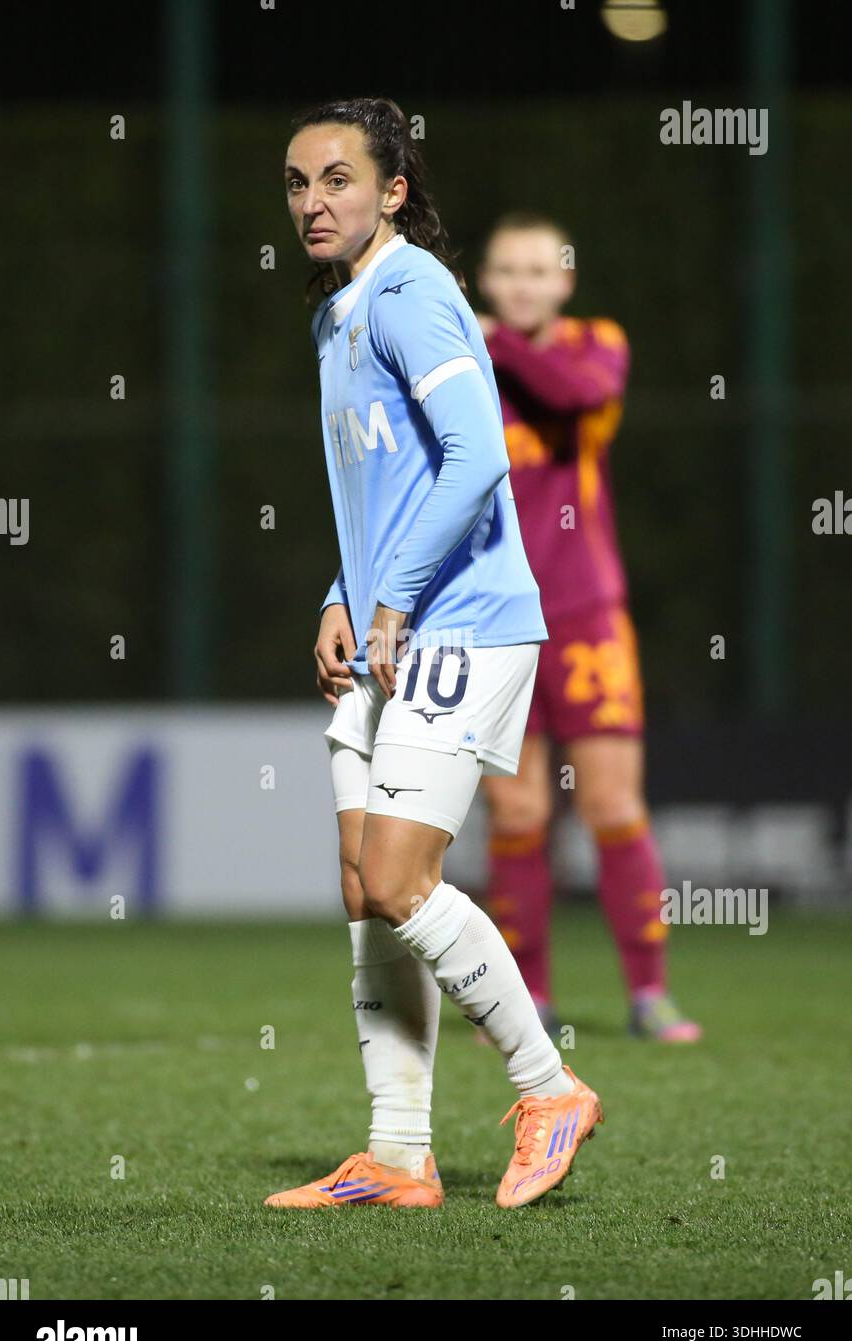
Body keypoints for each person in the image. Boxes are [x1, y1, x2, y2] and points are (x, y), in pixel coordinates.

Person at [264, 100, 604, 1211]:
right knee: (366, 890)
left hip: (457, 623)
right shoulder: (335, 317)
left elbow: (471, 464)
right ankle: (399, 1156)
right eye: (296, 183)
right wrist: (338, 592)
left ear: (392, 190)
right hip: (385, 627)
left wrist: (393, 595)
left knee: (404, 876)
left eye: (338, 180)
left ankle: (548, 1087)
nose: (313, 202)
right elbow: (383, 490)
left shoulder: (411, 295)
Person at [475, 212, 701, 1043]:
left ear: (565, 280)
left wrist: (487, 339)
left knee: (610, 802)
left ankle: (650, 994)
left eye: (541, 270)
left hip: (583, 610)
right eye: (509, 270)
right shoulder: (465, 360)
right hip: (494, 616)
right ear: (486, 281)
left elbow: (578, 396)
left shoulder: (594, 344)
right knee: (518, 814)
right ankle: (526, 999)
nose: (525, 283)